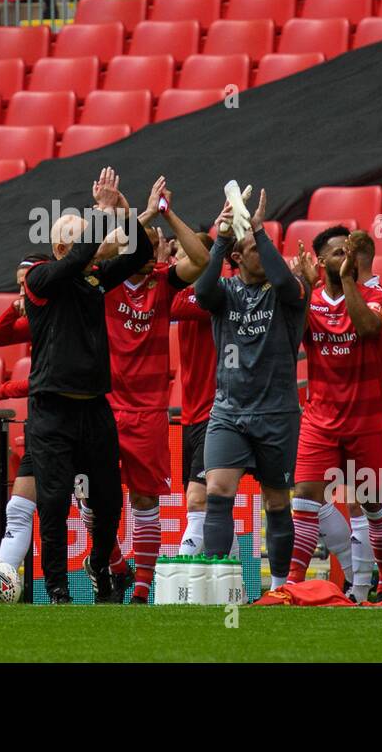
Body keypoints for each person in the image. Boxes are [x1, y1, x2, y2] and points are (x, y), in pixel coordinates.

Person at [22, 167, 153, 603]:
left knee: (109, 500)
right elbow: (79, 259)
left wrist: (122, 208)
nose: (94, 249)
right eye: (84, 241)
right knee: (54, 502)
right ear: (61, 246)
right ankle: (57, 587)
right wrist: (100, 211)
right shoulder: (40, 279)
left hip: (94, 408)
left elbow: (138, 254)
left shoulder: (94, 279)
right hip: (51, 409)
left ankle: (100, 561)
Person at [86, 176, 208, 604]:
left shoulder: (163, 282)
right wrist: (129, 216)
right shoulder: (104, 281)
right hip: (103, 407)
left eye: (155, 242)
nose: (152, 247)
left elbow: (203, 260)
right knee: (92, 496)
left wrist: (166, 215)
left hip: (149, 413)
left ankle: (140, 591)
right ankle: (116, 564)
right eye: (144, 241)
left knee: (144, 500)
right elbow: (91, 252)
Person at [193, 189, 308, 597]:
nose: (263, 252)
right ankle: (222, 582)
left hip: (277, 413)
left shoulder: (287, 292)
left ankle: (276, 588)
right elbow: (201, 292)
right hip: (229, 411)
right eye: (254, 248)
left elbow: (282, 277)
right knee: (218, 491)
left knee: (277, 502)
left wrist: (258, 230)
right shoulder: (223, 292)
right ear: (237, 259)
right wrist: (222, 237)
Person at [284, 227, 382, 603]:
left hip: (368, 420)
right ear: (321, 262)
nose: (345, 258)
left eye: (348, 253)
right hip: (320, 418)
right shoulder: (313, 300)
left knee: (372, 503)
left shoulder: (381, 298)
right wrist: (302, 287)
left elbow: (367, 328)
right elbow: (290, 338)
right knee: (304, 497)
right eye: (337, 254)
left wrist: (348, 279)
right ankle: (293, 586)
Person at [0, 254, 42, 582]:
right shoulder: (34, 318)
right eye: (18, 284)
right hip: (42, 424)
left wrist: (4, 389)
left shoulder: (66, 319)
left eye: (27, 283)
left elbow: (51, 378)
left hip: (77, 422)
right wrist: (16, 303)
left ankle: (113, 571)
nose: (22, 289)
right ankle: (0, 582)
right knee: (18, 509)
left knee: (89, 512)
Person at [169, 232, 215, 556]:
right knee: (209, 504)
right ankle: (234, 580)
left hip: (217, 413)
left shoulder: (212, 295)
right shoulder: (188, 294)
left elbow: (165, 304)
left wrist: (159, 267)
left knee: (197, 499)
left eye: (180, 255)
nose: (174, 262)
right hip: (192, 413)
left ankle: (180, 570)